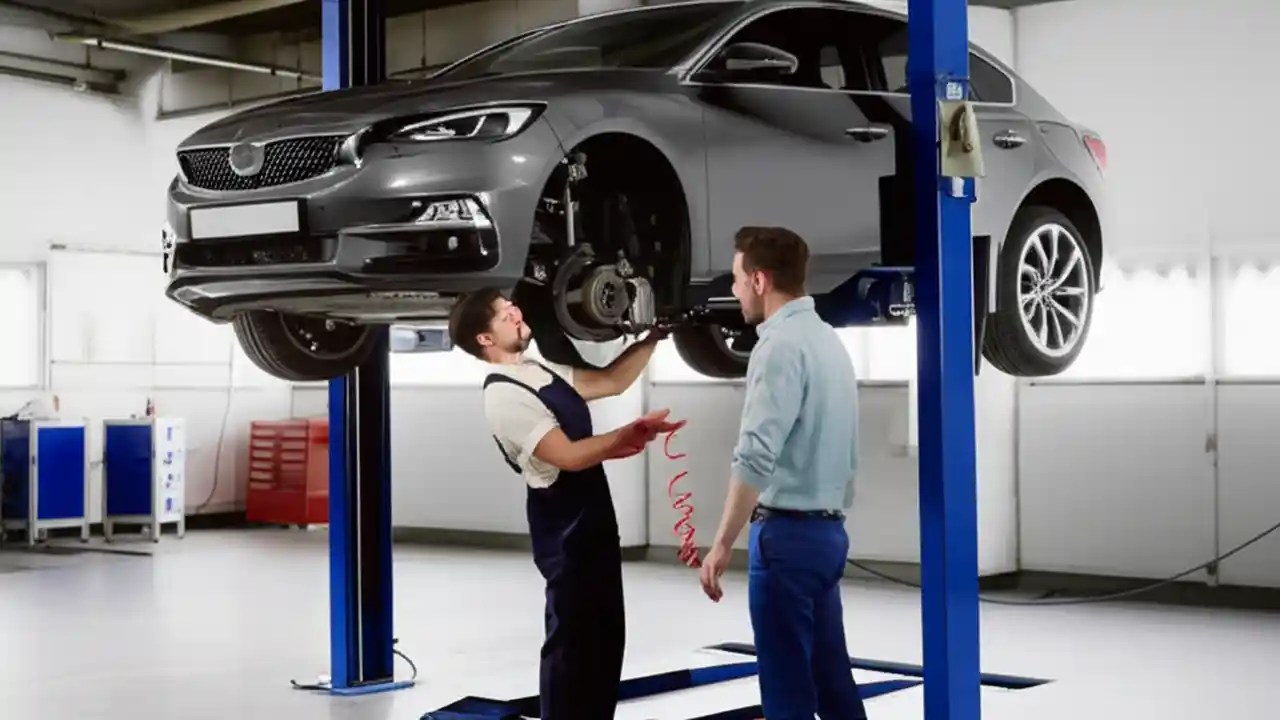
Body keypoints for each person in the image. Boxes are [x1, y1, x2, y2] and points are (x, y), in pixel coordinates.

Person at [447, 287, 682, 720]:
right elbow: (568, 456)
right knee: (573, 639)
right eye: (504, 314)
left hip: (591, 512)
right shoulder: (503, 394)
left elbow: (611, 381)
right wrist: (624, 437)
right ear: (485, 339)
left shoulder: (535, 369)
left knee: (605, 633)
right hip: (563, 524)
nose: (516, 312)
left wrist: (652, 337)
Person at [699, 226, 867, 720]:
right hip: (828, 536)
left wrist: (722, 542)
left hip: (787, 540)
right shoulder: (827, 341)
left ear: (759, 280)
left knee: (786, 689)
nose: (731, 291)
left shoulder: (777, 347)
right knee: (832, 680)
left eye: (734, 279)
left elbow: (755, 455)